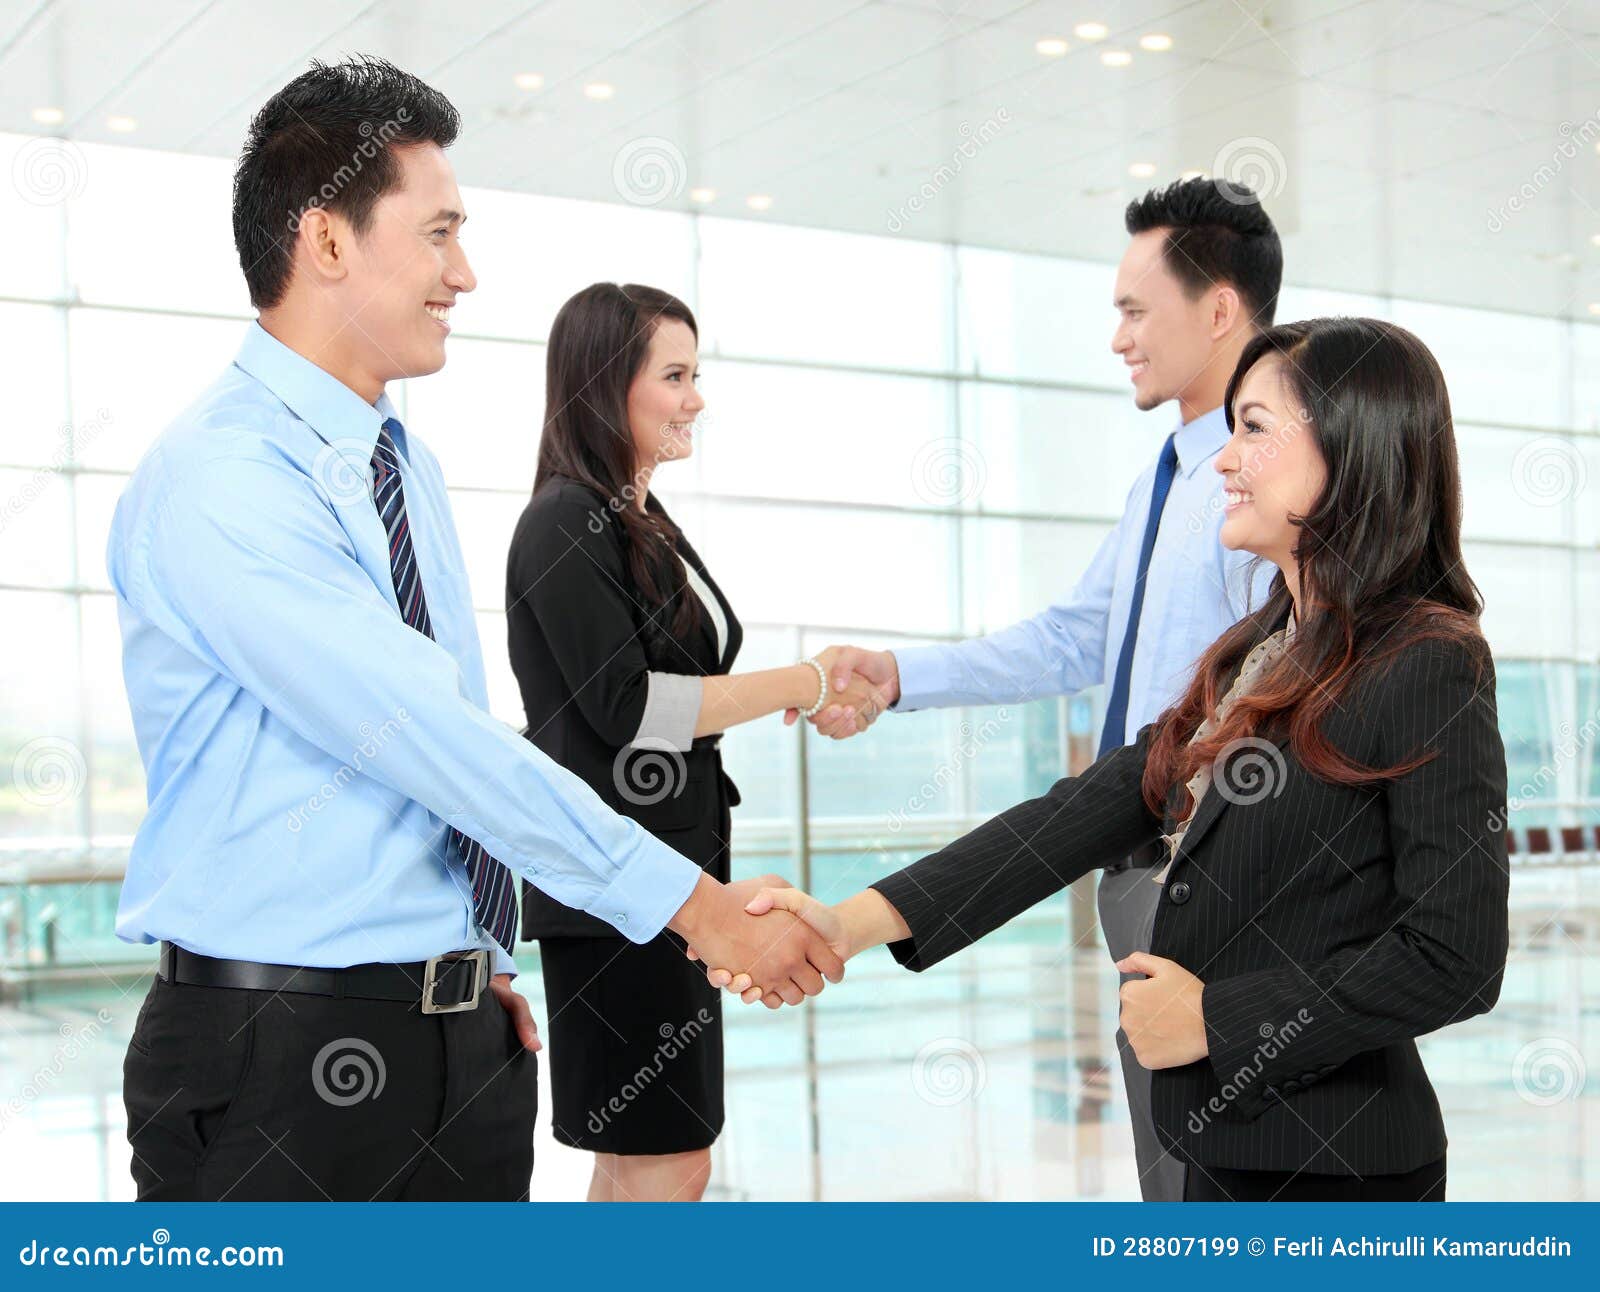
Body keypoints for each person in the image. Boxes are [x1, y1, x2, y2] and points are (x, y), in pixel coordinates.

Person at [108, 57, 841, 1203]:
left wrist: (467, 960)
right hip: (277, 1054)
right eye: (440, 233)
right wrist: (699, 910)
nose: (467, 273)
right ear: (330, 242)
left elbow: (451, 733)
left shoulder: (403, 465)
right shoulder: (224, 476)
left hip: (450, 1036)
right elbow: (422, 735)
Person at [708, 317, 1511, 1202]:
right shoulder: (1258, 647)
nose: (1224, 461)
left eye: (1253, 427)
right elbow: (1083, 810)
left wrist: (1217, 1020)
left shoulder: (1430, 661)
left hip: (1335, 1168)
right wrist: (850, 924)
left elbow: (1456, 954)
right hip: (1221, 1148)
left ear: (1353, 443)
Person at [793, 176, 1284, 1199]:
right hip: (1135, 858)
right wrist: (901, 676)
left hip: (1214, 871)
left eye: (1133, 309)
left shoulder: (1260, 492)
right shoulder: (1170, 476)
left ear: (1220, 308)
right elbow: (1076, 636)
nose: (1117, 338)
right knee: (1171, 1172)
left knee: (1213, 1177)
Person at [506, 282, 878, 1201]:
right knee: (665, 1154)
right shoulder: (563, 519)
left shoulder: (639, 520)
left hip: (669, 881)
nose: (696, 398)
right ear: (605, 384)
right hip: (615, 889)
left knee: (651, 1155)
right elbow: (635, 712)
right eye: (675, 375)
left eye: (695, 374)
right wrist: (804, 683)